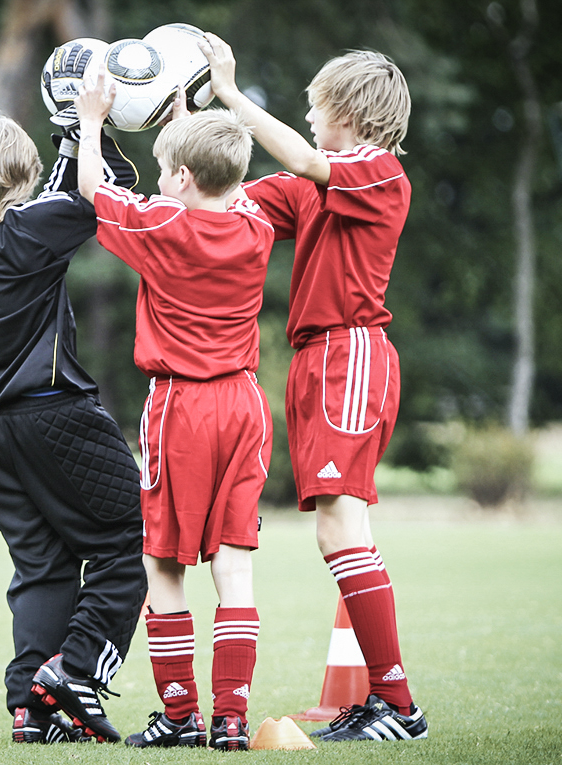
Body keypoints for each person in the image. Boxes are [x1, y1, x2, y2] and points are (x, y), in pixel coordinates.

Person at [200, 35, 429, 741]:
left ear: (351, 112)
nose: (307, 118)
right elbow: (222, 201)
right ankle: (392, 701)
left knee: (340, 527)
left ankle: (397, 704)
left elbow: (304, 160)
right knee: (335, 529)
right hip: (315, 360)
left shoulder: (379, 171)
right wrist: (184, 127)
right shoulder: (315, 185)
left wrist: (234, 98)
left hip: (349, 354)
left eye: (315, 106)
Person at [74, 76, 274, 751]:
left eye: (165, 172)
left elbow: (95, 191)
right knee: (235, 566)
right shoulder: (257, 228)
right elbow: (221, 180)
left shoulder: (162, 224)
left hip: (181, 405)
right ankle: (234, 718)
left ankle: (181, 714)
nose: (158, 183)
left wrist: (93, 121)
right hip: (245, 403)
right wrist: (187, 123)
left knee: (164, 562)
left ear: (182, 177)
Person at [0, 109, 147, 745]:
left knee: (44, 566)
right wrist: (89, 121)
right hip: (57, 413)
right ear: (26, 172)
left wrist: (72, 136)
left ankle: (30, 709)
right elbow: (109, 184)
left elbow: (67, 190)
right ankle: (77, 669)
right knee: (129, 541)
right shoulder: (38, 226)